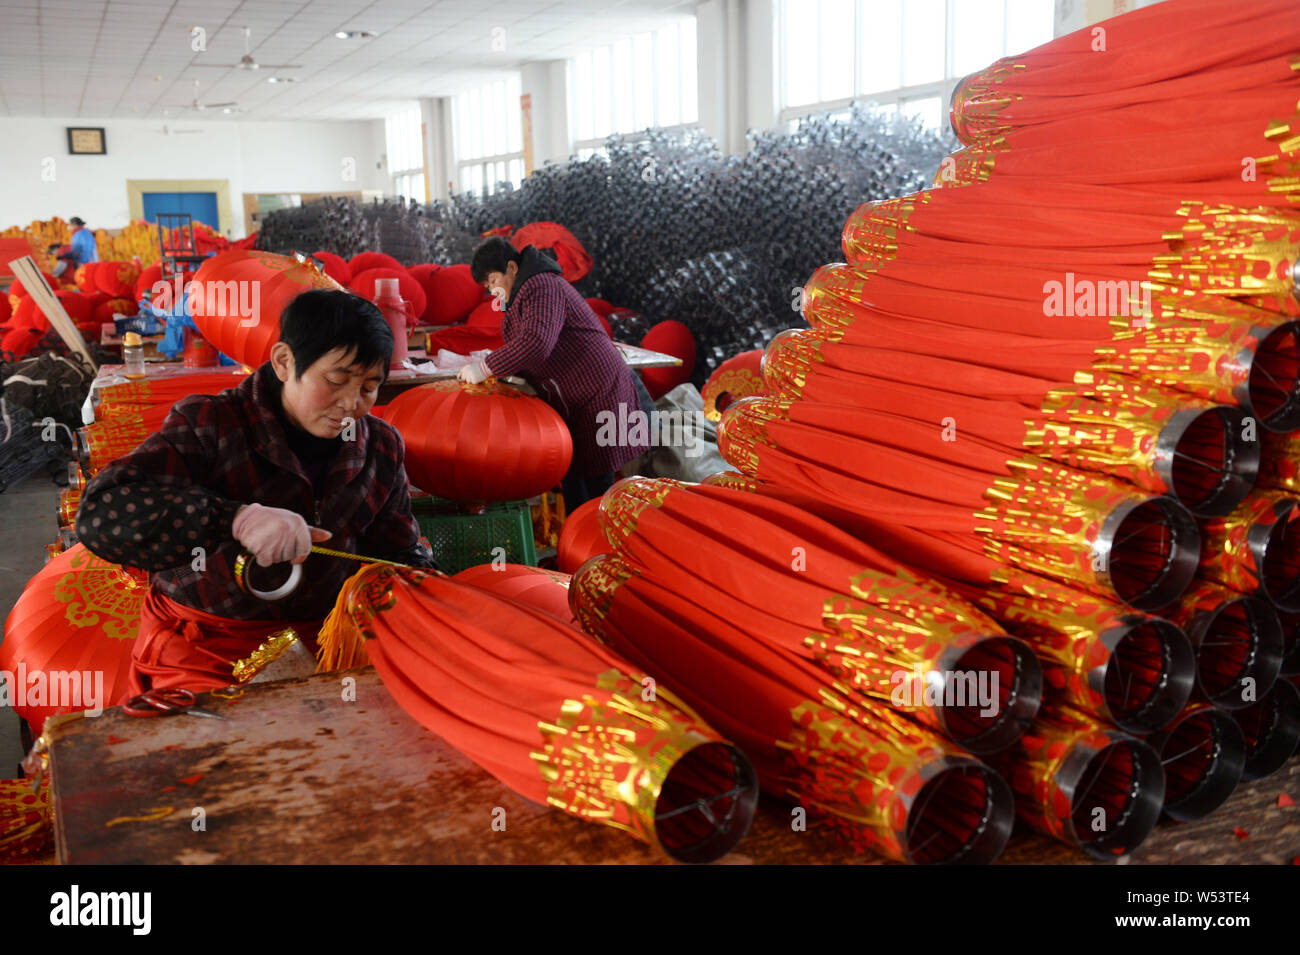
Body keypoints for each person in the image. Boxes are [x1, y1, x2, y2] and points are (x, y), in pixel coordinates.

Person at [76, 289, 436, 694]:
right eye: (336, 380)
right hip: (208, 644)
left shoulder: (381, 446)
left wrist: (429, 589)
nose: (351, 403)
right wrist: (233, 520)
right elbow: (101, 512)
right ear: (284, 362)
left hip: (326, 641)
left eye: (370, 387)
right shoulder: (209, 424)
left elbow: (396, 553)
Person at [461, 238, 654, 508]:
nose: (492, 291)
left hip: (598, 391)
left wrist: (485, 367)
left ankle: (603, 544)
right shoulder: (521, 296)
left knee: (597, 487)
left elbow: (537, 341)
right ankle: (583, 540)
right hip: (575, 400)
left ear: (512, 268)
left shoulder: (542, 285)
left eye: (493, 281)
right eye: (486, 286)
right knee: (575, 479)